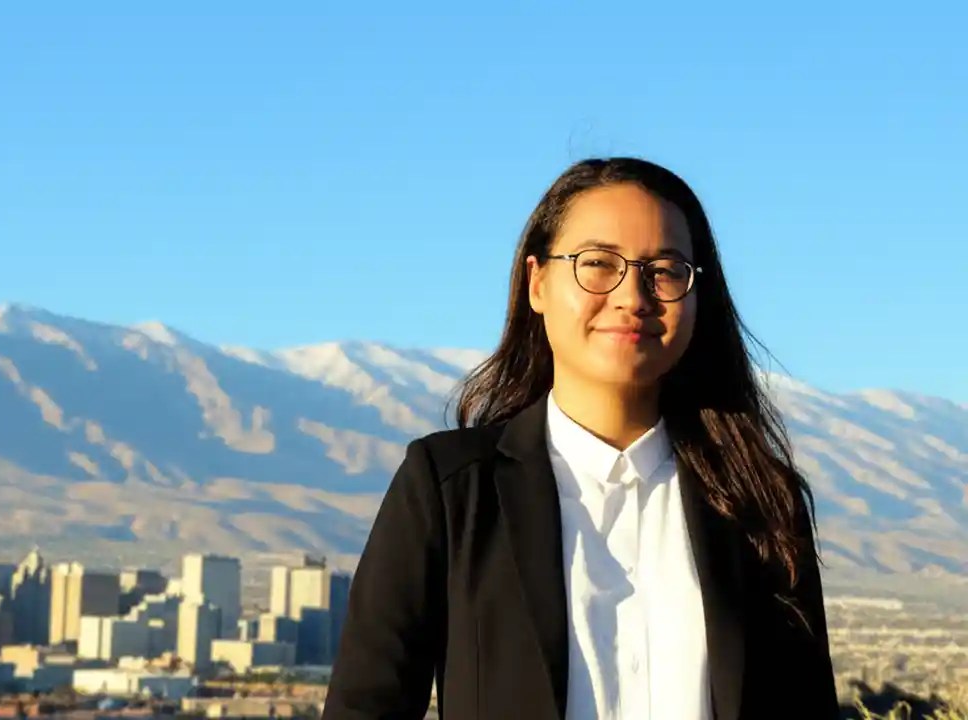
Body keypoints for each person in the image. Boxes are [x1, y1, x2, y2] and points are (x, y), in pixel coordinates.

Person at [321, 157, 838, 719]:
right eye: (597, 264)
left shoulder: (758, 503)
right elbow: (365, 706)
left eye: (664, 270)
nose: (631, 296)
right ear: (536, 282)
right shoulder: (450, 490)